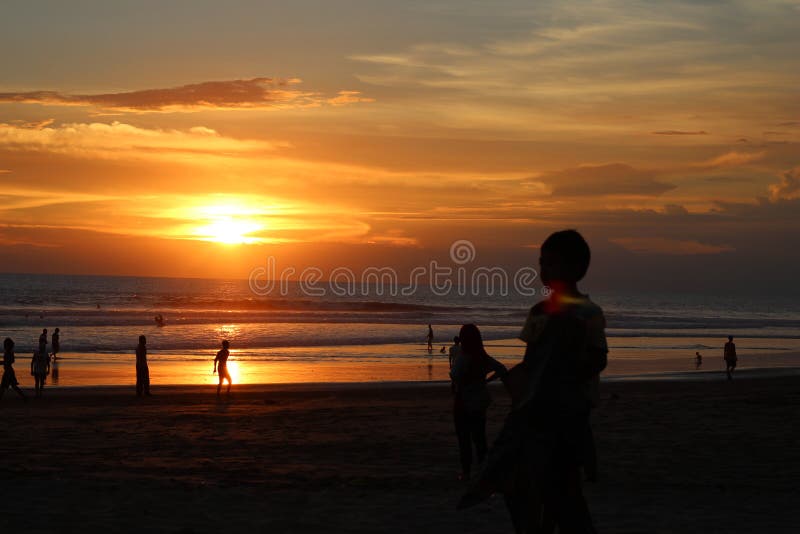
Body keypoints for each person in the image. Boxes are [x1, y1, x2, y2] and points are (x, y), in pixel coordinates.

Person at [460, 229, 607, 534]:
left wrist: (565, 373)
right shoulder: (538, 312)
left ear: (577, 268)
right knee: (527, 483)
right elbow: (531, 361)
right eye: (542, 263)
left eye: (552, 263)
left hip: (570, 412)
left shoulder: (588, 313)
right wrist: (521, 386)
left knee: (564, 489)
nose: (544, 270)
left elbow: (598, 358)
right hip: (535, 410)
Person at [450, 324, 508, 481]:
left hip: (463, 401)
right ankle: (483, 471)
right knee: (480, 438)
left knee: (464, 438)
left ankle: (466, 473)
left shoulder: (463, 357)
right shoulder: (483, 357)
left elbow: (454, 375)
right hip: (480, 400)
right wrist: (487, 380)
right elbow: (502, 369)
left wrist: (464, 381)